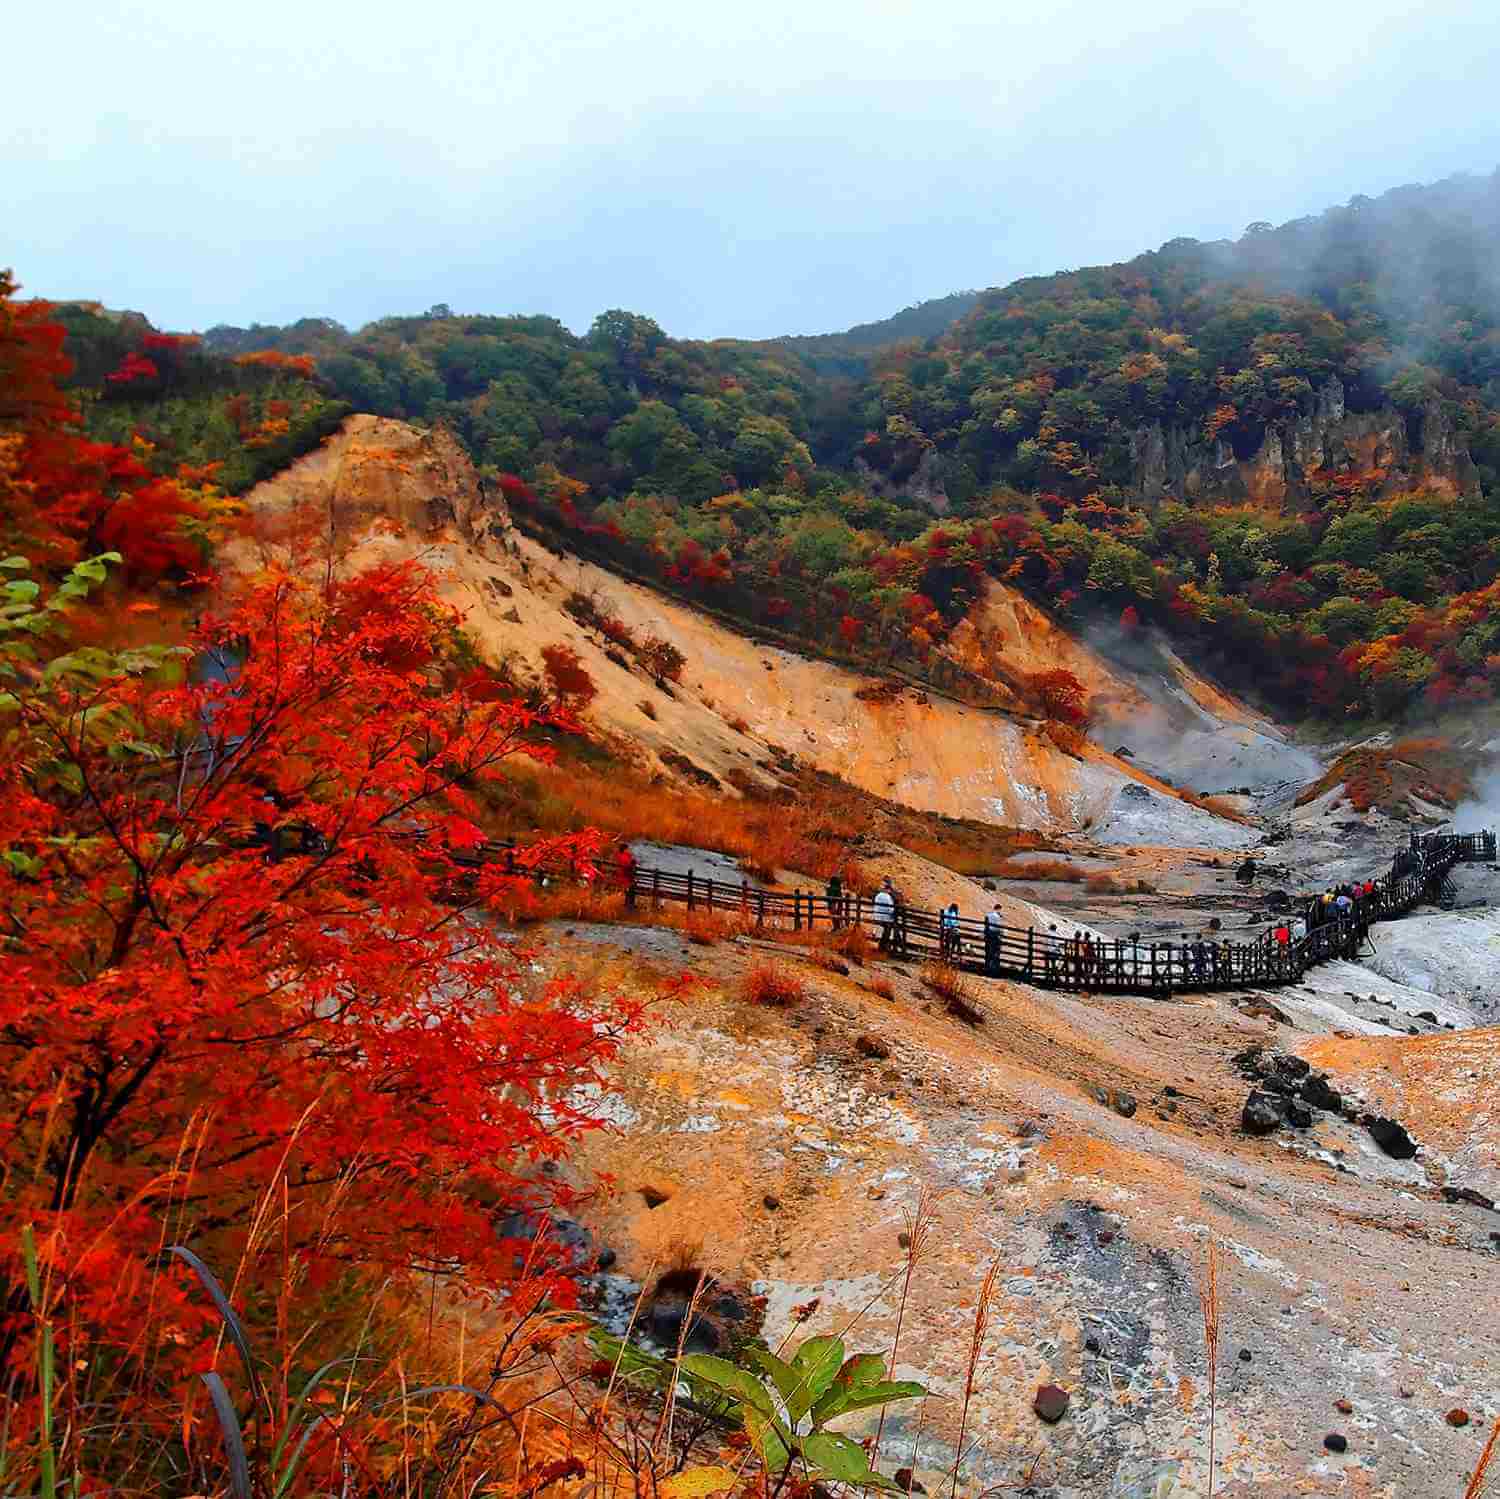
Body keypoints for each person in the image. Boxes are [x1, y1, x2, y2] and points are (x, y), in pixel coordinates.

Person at [873, 877, 896, 952]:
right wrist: (893, 914)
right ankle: (884, 946)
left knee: (887, 928)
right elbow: (891, 909)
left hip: (877, 916)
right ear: (888, 889)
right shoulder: (888, 897)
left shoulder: (878, 895)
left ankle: (883, 945)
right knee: (889, 929)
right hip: (885, 918)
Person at [984, 902, 1004, 975]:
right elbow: (998, 927)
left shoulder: (988, 915)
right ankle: (993, 970)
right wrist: (1001, 933)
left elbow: (986, 924)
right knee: (995, 953)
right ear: (998, 909)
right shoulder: (997, 917)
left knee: (988, 951)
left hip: (988, 934)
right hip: (995, 935)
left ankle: (986, 967)